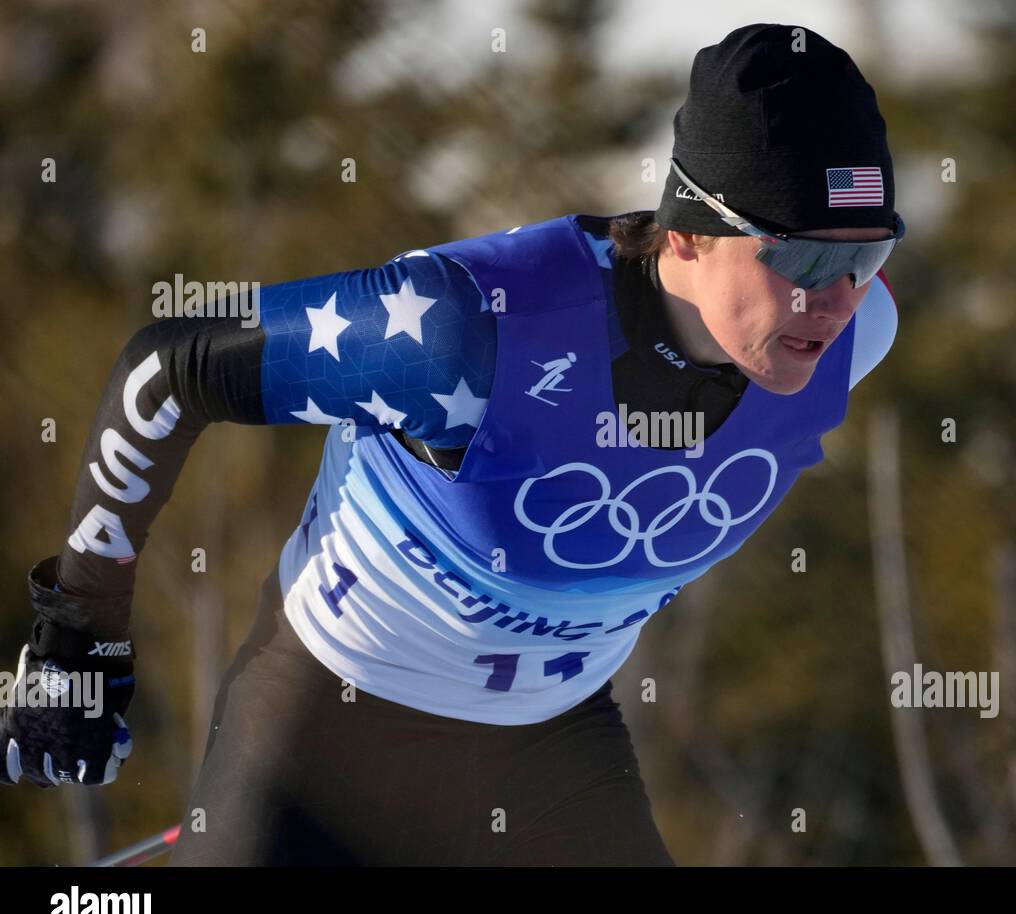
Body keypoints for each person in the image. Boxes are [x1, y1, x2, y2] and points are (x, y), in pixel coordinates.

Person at [0, 22, 903, 865]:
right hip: (326, 731)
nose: (835, 302)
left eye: (863, 261)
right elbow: (169, 368)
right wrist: (80, 630)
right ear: (688, 234)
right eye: (804, 260)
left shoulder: (856, 336)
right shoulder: (463, 332)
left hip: (554, 743)